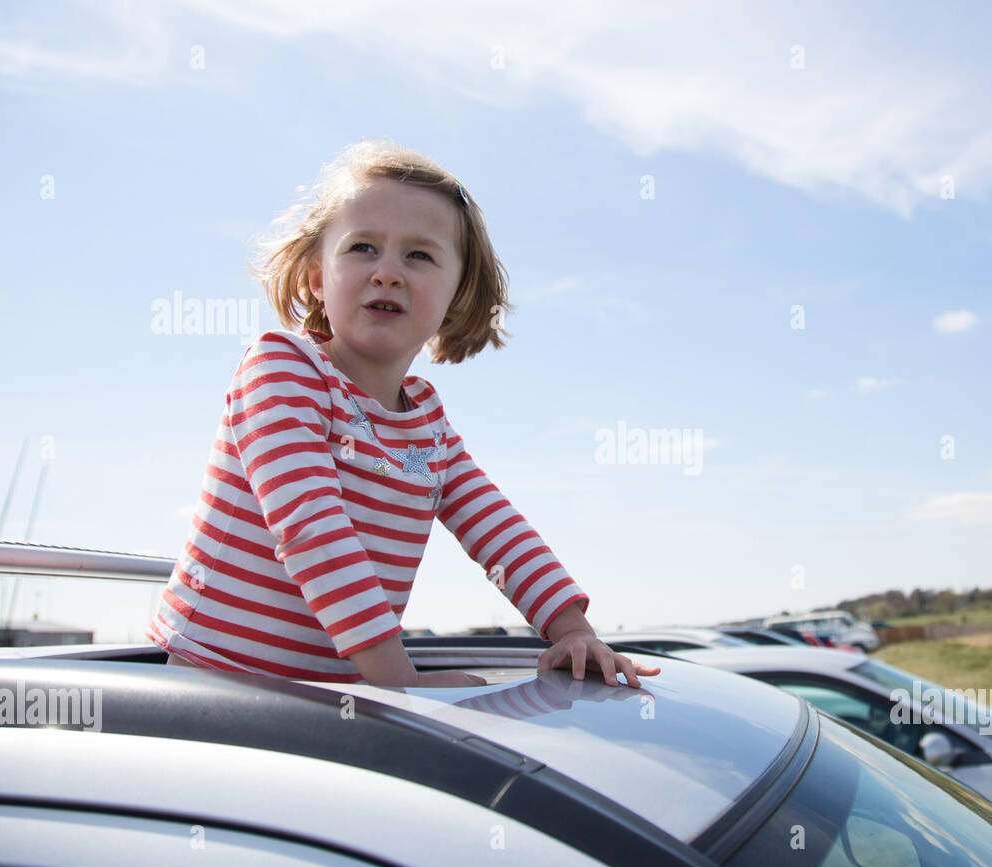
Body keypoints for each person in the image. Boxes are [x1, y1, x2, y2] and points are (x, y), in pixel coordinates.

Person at [147, 140, 659, 691]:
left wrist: (572, 630)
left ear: (456, 296)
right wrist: (401, 684)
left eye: (419, 255)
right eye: (363, 247)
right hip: (220, 685)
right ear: (318, 276)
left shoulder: (428, 427)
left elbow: (497, 530)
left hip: (334, 696)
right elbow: (312, 527)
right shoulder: (282, 369)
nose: (387, 272)